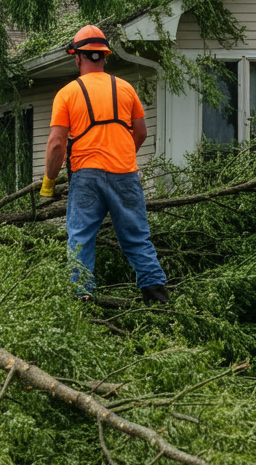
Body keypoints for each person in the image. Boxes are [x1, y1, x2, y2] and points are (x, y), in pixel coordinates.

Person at [39, 25, 168, 303]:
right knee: (137, 238)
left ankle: (81, 299)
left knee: (81, 238)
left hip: (86, 177)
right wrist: (121, 155)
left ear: (77, 57)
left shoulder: (67, 93)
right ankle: (158, 297)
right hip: (126, 174)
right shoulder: (126, 89)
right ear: (104, 56)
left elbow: (57, 144)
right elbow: (141, 132)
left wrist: (48, 183)